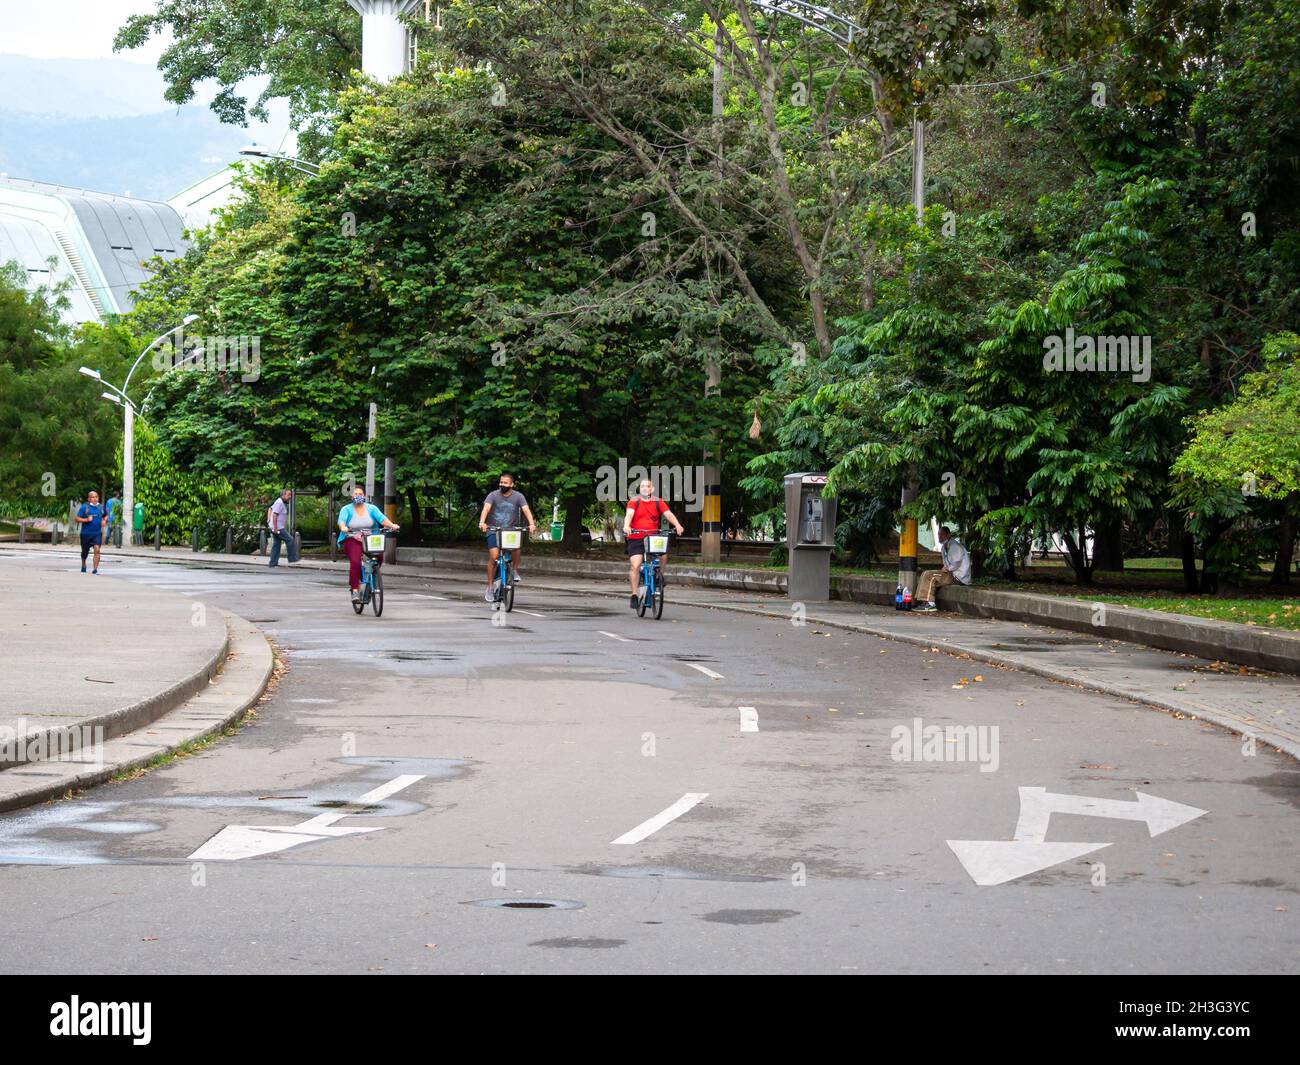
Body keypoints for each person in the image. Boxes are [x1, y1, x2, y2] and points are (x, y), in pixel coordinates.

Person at [622, 477, 685, 609]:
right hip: (636, 536)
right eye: (642, 486)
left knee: (663, 555)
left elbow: (668, 514)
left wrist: (678, 525)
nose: (645, 488)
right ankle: (634, 595)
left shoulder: (658, 502)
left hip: (652, 537)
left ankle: (659, 577)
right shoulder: (634, 501)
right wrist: (627, 526)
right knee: (636, 565)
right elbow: (629, 515)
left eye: (648, 486)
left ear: (652, 489)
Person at [477, 473, 537, 602]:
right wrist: (482, 522)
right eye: (501, 482)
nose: (502, 485)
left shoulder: (518, 496)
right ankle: (490, 587)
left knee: (516, 548)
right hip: (494, 529)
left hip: (510, 531)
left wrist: (531, 524)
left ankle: (514, 571)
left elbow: (526, 510)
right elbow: (486, 509)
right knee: (494, 557)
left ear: (511, 484)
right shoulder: (493, 495)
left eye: (505, 483)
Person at [336, 488, 400, 603]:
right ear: (352, 497)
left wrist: (392, 525)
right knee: (355, 562)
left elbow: (382, 519)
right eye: (356, 494)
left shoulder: (371, 508)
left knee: (379, 557)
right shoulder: (346, 509)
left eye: (360, 494)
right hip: (352, 539)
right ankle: (355, 590)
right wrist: (343, 527)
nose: (358, 496)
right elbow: (342, 521)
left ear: (364, 496)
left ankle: (373, 579)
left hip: (370, 539)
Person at [915, 525, 971, 611]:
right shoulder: (944, 548)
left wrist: (947, 569)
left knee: (930, 575)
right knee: (925, 573)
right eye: (939, 534)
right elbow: (946, 564)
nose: (940, 536)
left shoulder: (954, 546)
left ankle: (930, 603)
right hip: (951, 574)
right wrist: (945, 568)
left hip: (958, 578)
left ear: (948, 535)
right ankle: (922, 601)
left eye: (942, 534)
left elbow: (956, 563)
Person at [75, 490, 107, 573]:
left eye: (96, 497)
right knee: (85, 552)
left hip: (97, 533)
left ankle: (95, 569)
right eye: (92, 497)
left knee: (97, 549)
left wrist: (104, 520)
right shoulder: (84, 507)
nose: (95, 499)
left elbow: (106, 515)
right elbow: (77, 519)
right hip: (85, 534)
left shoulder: (101, 507)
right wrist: (86, 519)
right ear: (89, 499)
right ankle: (83, 564)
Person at [266, 488, 297, 567]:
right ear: (283, 495)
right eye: (288, 495)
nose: (290, 496)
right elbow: (275, 514)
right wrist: (275, 528)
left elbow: (270, 508)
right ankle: (292, 558)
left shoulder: (279, 502)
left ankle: (272, 563)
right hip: (278, 528)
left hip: (276, 527)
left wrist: (268, 520)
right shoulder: (279, 503)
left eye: (291, 494)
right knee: (290, 539)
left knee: (276, 545)